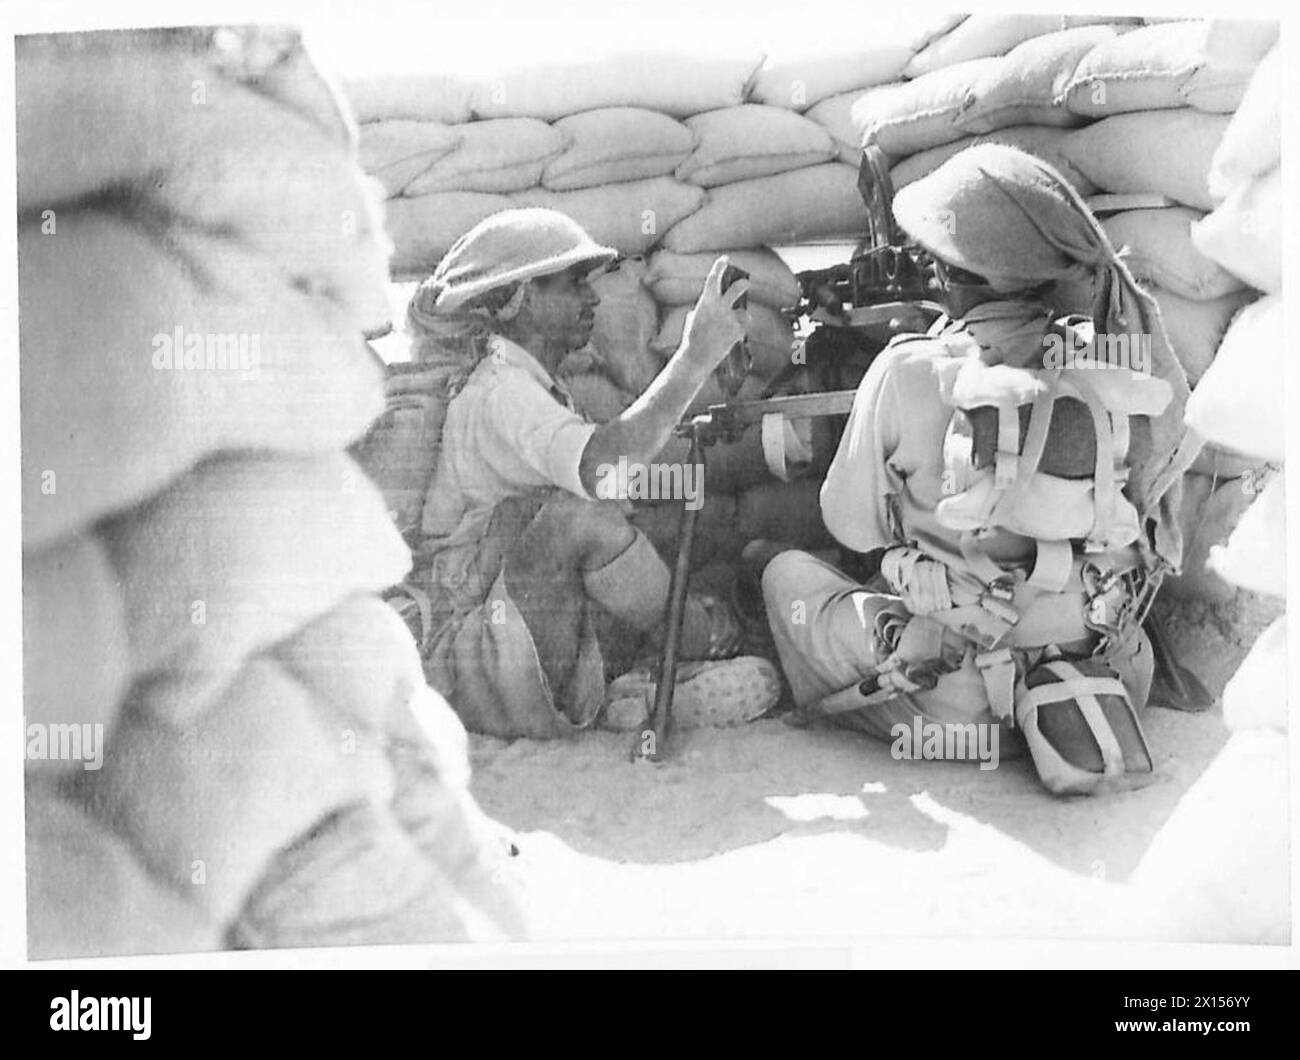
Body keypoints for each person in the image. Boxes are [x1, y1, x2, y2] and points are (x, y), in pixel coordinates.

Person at [747, 144, 1202, 795]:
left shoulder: (907, 369)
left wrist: (918, 554)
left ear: (947, 271)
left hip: (959, 708)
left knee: (783, 572)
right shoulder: (1120, 361)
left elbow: (849, 525)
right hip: (1113, 681)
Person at [403, 208, 779, 739]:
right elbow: (605, 471)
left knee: (663, 534)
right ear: (519, 298)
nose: (593, 299)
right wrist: (694, 357)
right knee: (579, 518)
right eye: (573, 283)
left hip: (513, 636)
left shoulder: (532, 386)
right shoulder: (502, 391)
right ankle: (694, 646)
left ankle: (640, 692)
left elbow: (622, 480)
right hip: (473, 660)